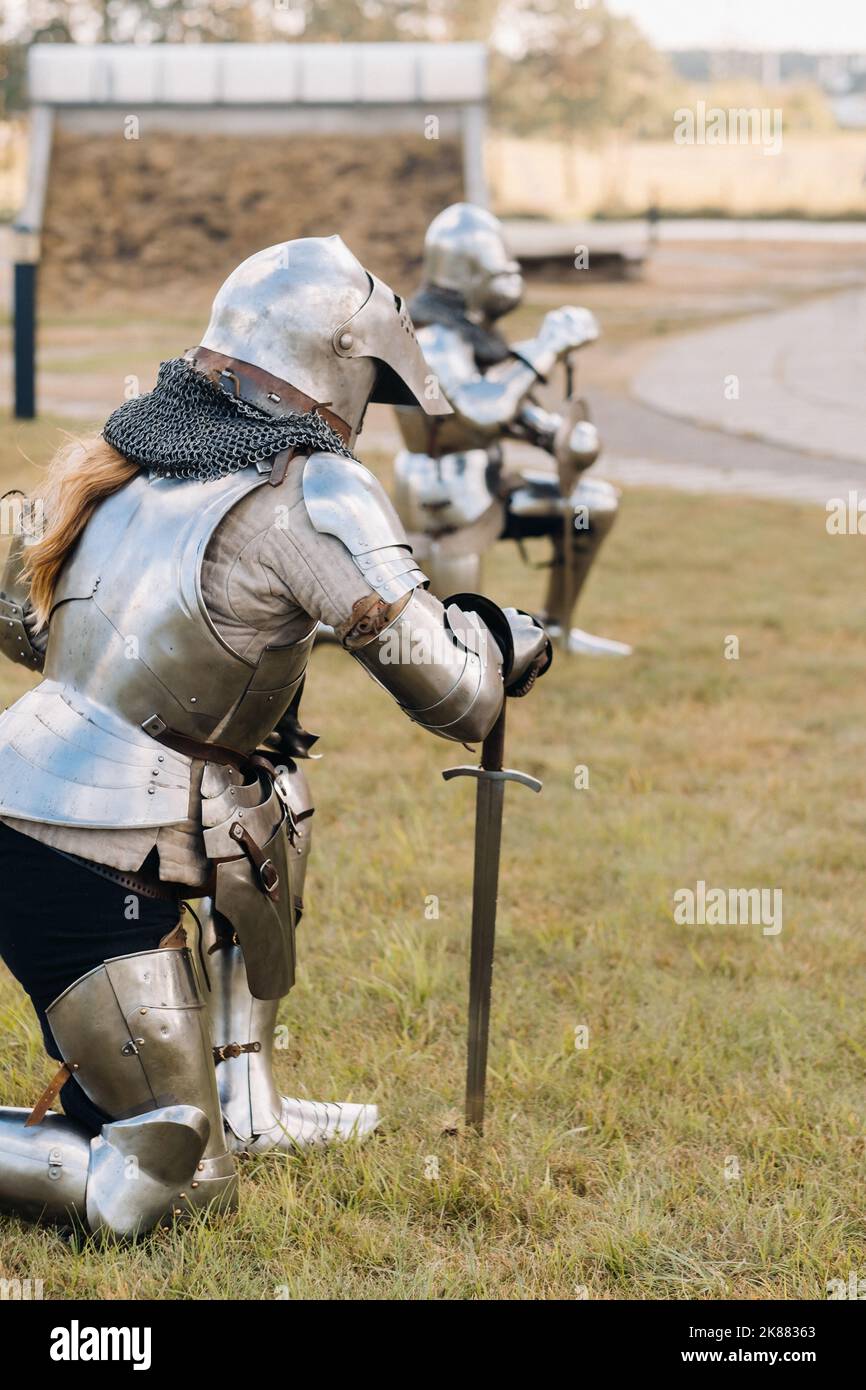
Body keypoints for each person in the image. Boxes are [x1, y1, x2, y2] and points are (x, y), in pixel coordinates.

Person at [0, 236, 551, 1238]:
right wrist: (509, 640)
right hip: (79, 860)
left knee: (266, 794)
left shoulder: (125, 465)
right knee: (169, 1183)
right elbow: (457, 698)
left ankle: (246, 1100)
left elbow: (43, 636)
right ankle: (173, 1121)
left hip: (50, 805)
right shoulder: (313, 492)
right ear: (335, 362)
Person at [392, 202, 631, 657]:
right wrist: (547, 346)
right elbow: (480, 409)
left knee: (594, 505)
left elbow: (505, 403)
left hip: (486, 482)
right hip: (442, 500)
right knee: (448, 647)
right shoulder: (434, 339)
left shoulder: (474, 336)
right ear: (470, 272)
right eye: (501, 269)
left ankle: (557, 630)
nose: (511, 277)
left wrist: (553, 433)